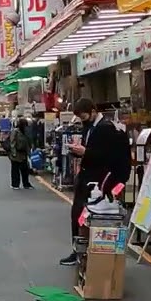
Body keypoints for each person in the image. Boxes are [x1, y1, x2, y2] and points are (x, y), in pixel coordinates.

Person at [59, 98, 132, 266]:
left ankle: (87, 251)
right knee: (78, 215)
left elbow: (105, 157)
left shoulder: (105, 129)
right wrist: (78, 152)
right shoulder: (90, 128)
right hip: (86, 177)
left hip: (98, 181)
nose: (82, 120)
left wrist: (85, 152)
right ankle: (78, 250)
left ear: (93, 111)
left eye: (84, 116)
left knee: (89, 216)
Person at [9, 118, 34, 190]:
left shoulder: (26, 132)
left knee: (25, 169)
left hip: (23, 153)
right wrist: (13, 152)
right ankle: (15, 184)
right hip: (16, 152)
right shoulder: (15, 131)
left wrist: (29, 152)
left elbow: (28, 143)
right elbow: (12, 142)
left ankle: (26, 184)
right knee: (15, 170)